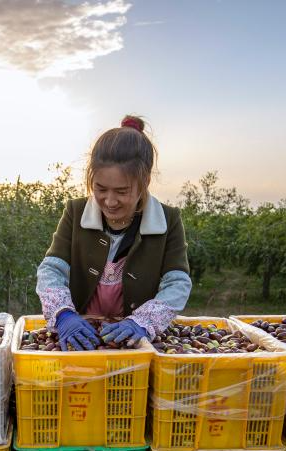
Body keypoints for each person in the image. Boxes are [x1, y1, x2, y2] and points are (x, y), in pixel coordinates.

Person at [36, 115, 192, 351]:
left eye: (121, 191)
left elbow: (177, 283)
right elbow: (51, 269)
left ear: (145, 181)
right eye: (100, 189)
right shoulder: (76, 212)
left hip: (134, 340)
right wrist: (64, 314)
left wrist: (141, 321)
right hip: (81, 336)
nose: (109, 201)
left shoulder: (167, 221)